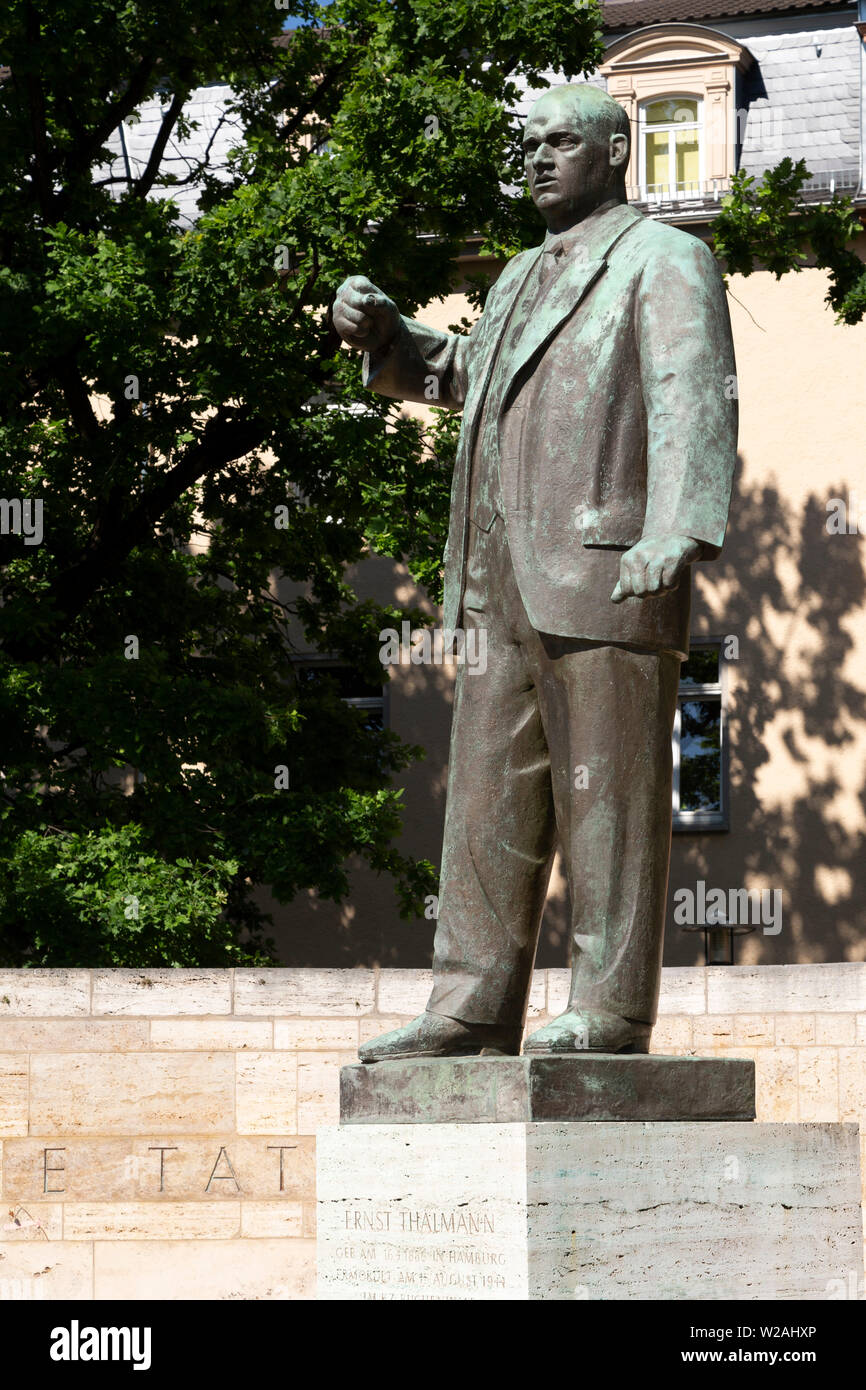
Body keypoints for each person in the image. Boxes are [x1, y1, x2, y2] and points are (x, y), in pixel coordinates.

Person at [332, 83, 737, 1059]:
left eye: (561, 140)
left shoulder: (662, 259)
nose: (538, 157)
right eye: (529, 143)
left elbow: (692, 392)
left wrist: (676, 526)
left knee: (609, 797)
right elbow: (470, 375)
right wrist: (393, 338)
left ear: (613, 152)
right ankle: (468, 1008)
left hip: (610, 564)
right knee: (484, 790)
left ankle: (607, 1007)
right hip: (495, 576)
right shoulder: (515, 276)